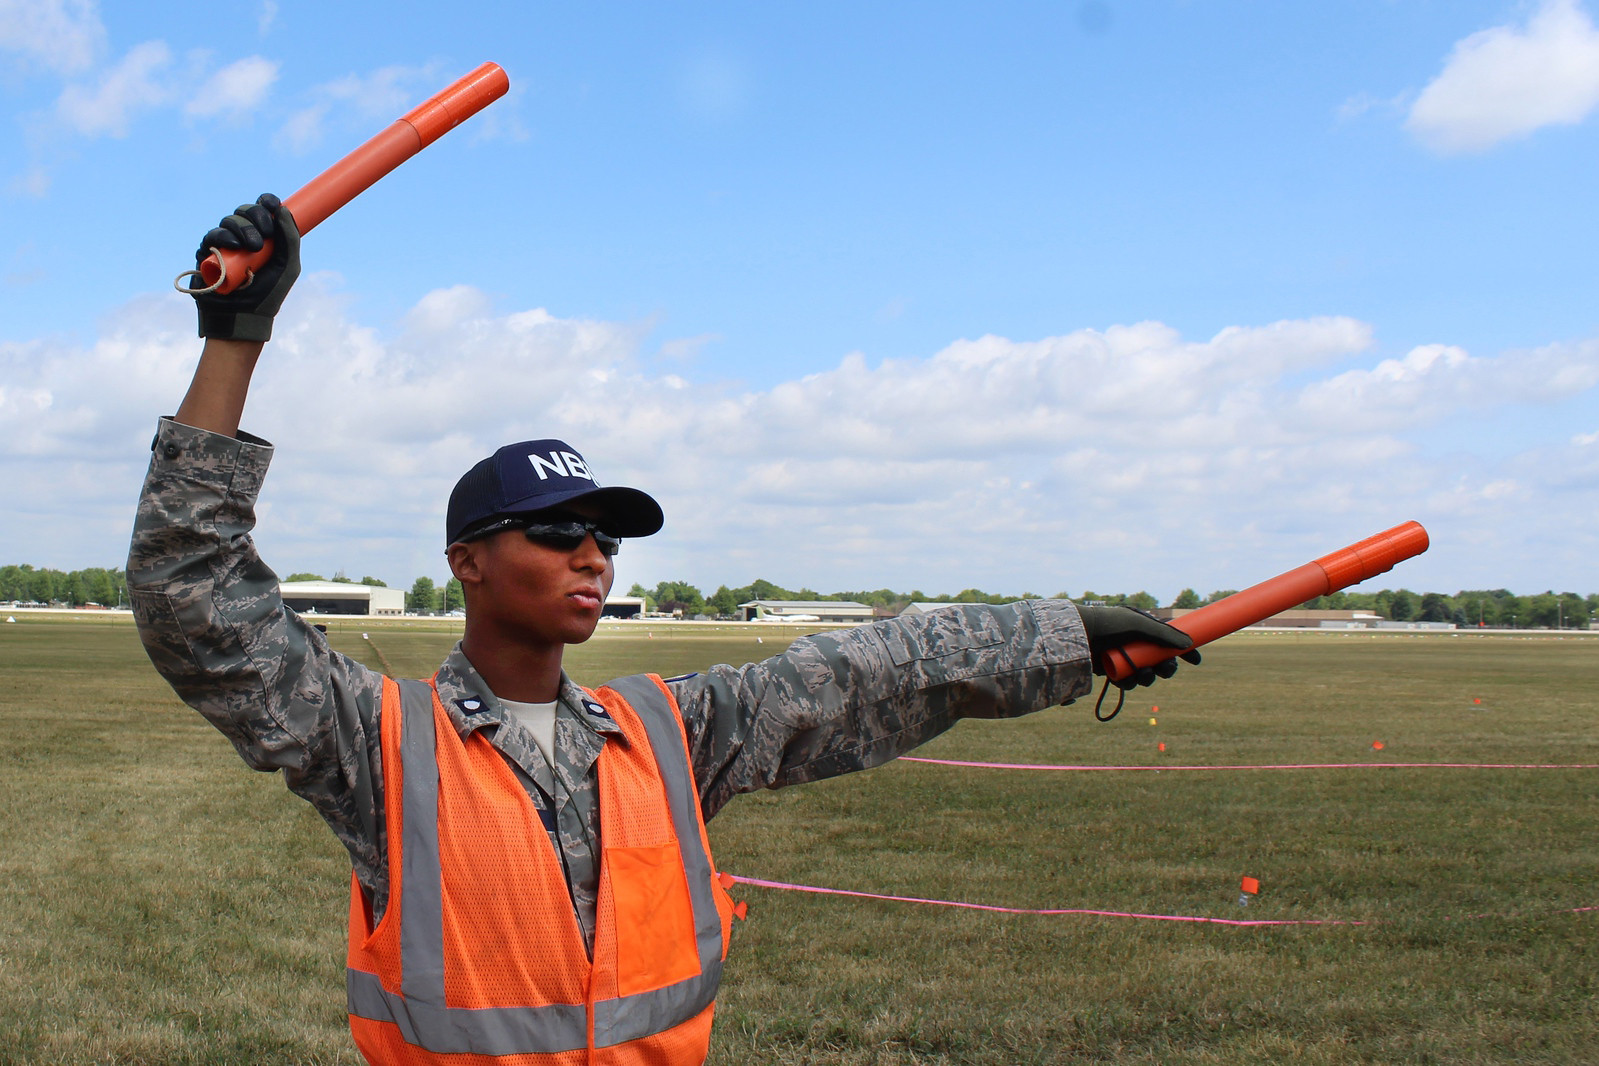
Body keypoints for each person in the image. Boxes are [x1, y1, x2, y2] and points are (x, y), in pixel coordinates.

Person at [128, 195, 1198, 1065]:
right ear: (467, 561)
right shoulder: (377, 742)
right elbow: (194, 594)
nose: (592, 555)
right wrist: (236, 339)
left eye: (607, 538)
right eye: (556, 531)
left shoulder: (667, 733)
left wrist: (1068, 638)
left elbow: (865, 676)